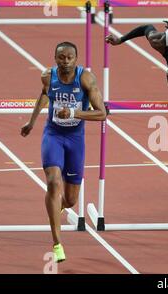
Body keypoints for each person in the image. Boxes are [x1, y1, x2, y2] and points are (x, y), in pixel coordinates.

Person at [21, 42, 107, 263]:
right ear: (55, 58)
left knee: (70, 200)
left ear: (76, 60)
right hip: (53, 136)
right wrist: (31, 122)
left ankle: (54, 211)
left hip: (75, 140)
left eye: (69, 58)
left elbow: (101, 113)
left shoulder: (86, 79)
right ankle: (57, 243)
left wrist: (75, 113)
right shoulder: (48, 76)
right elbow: (44, 95)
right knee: (53, 182)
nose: (65, 61)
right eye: (61, 58)